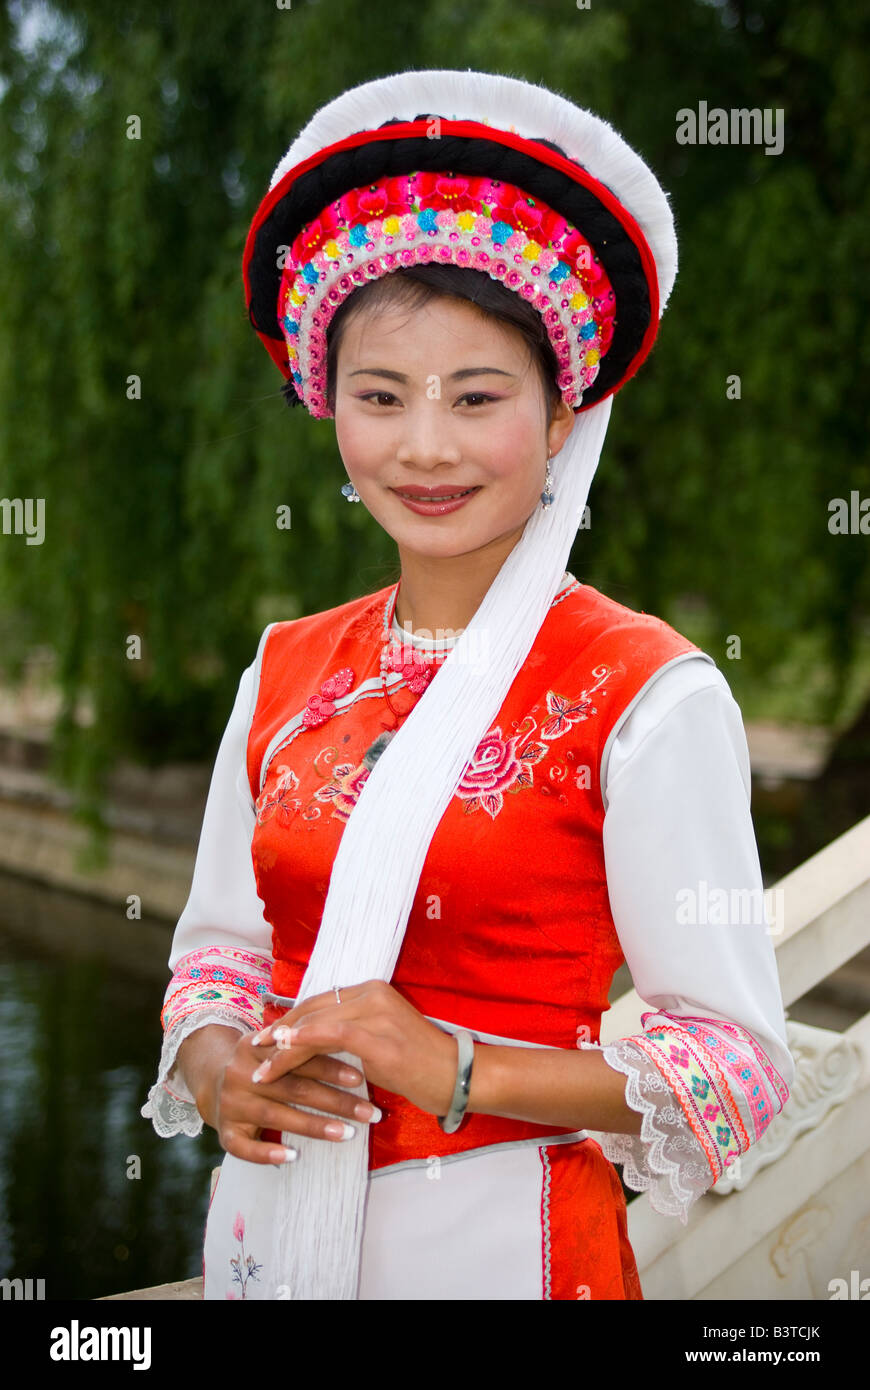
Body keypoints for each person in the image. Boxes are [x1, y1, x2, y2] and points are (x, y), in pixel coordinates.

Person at [142, 68, 794, 1301]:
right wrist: (227, 1068)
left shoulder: (645, 690)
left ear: (560, 417)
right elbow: (221, 952)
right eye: (380, 397)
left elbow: (733, 1070)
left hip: (511, 1251)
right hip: (266, 1241)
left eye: (478, 397)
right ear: (326, 406)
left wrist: (451, 1063)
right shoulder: (287, 667)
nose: (425, 446)